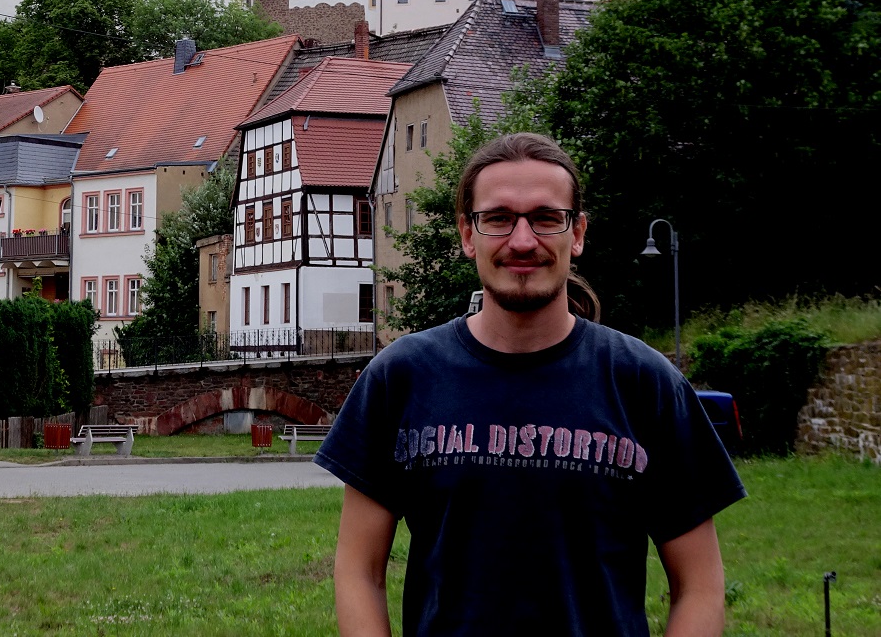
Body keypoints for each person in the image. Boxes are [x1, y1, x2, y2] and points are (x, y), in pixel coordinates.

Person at [315, 132, 744, 636]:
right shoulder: (401, 377)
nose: (522, 241)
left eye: (545, 218)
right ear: (467, 234)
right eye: (498, 219)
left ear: (577, 233)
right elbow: (359, 571)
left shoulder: (645, 383)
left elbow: (699, 585)